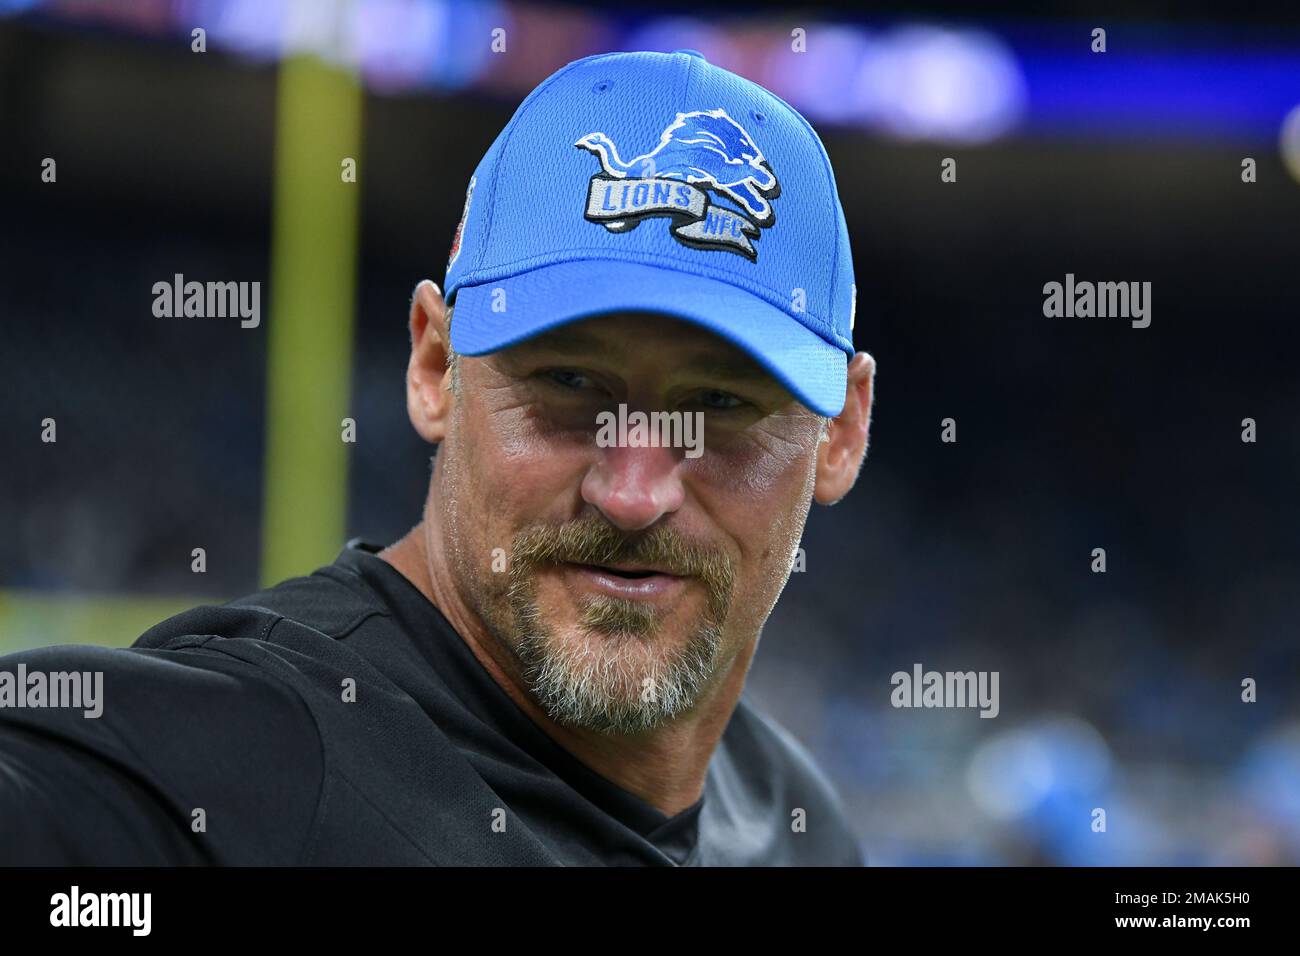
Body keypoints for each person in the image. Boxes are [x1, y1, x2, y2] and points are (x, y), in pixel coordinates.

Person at [0, 49, 875, 865]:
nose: (634, 491)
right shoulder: (251, 755)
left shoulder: (796, 821)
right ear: (432, 367)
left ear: (840, 435)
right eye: (570, 383)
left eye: (718, 405)